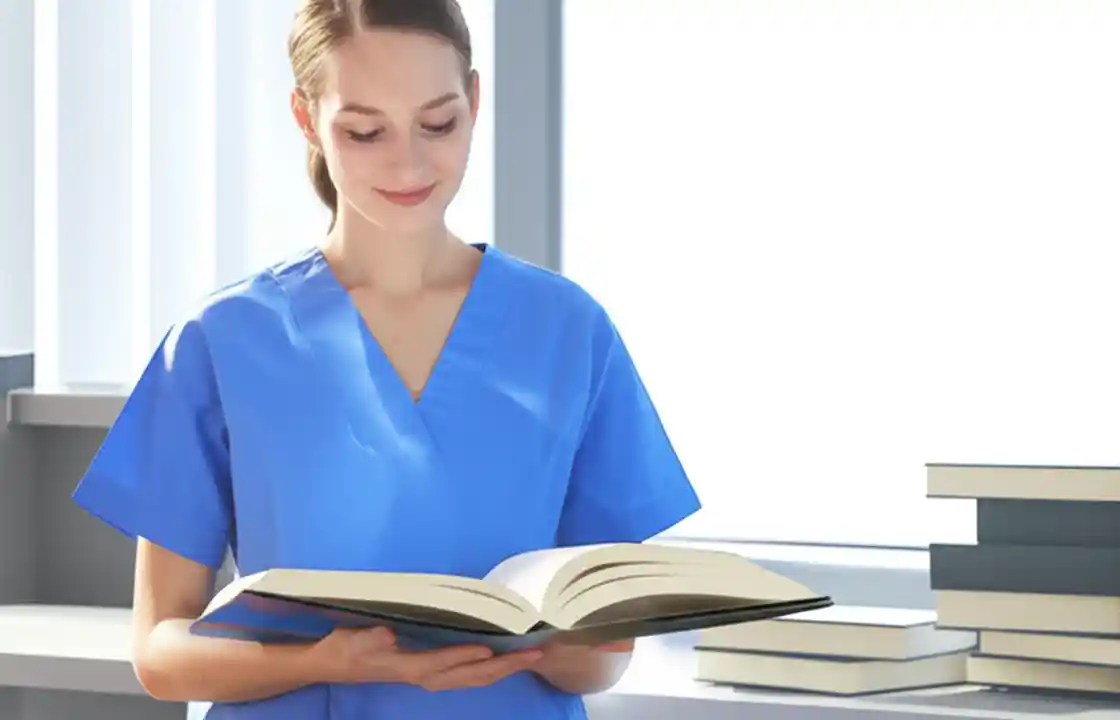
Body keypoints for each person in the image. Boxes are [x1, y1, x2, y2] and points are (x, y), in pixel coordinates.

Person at [69, 0, 701, 717]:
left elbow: (601, 658)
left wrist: (546, 646)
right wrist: (324, 660)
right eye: (364, 131)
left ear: (475, 100)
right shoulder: (225, 339)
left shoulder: (566, 331)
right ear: (306, 118)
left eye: (439, 123)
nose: (408, 162)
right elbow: (160, 651)